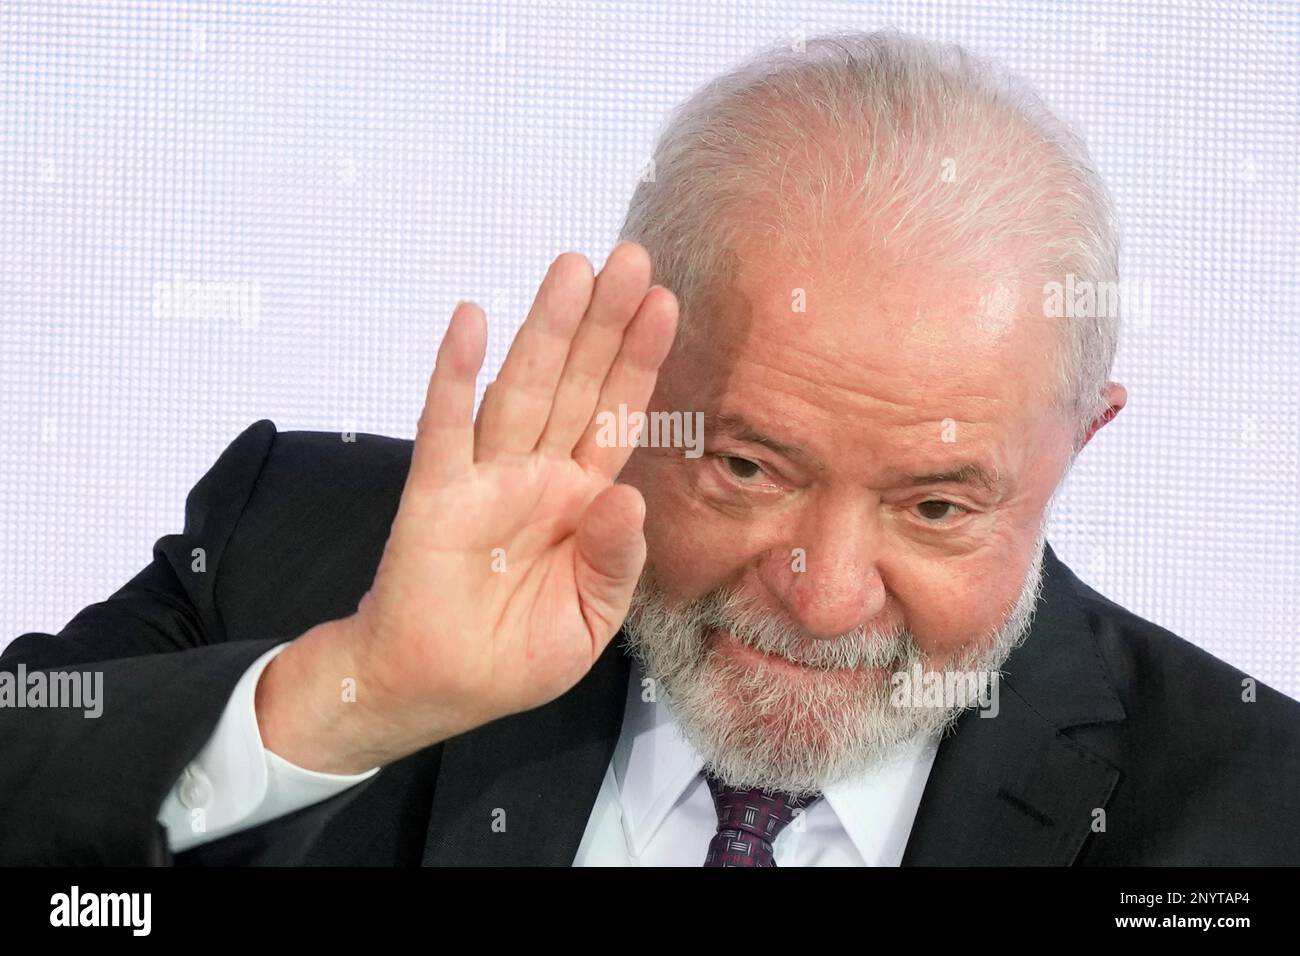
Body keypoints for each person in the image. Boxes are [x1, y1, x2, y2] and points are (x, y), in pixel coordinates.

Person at [3, 30, 1297, 867]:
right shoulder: (295, 548)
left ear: (1084, 438)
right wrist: (353, 696)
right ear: (629, 370)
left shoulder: (1256, 808)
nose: (826, 594)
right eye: (748, 466)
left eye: (939, 508)